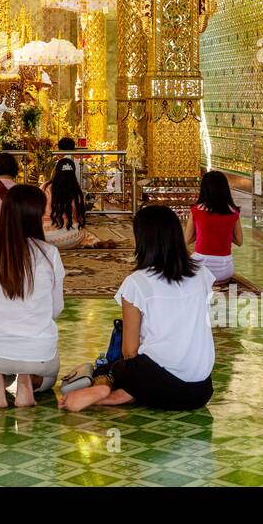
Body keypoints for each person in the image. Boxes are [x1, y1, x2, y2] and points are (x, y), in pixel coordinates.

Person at [62, 205, 215, 412]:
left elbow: (129, 351)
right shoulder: (202, 273)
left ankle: (103, 391)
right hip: (200, 391)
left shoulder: (137, 283)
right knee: (148, 368)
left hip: (161, 383)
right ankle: (121, 396)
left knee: (110, 366)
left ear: (144, 240)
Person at [0, 184, 65, 408]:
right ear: (35, 216)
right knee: (46, 380)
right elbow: (56, 310)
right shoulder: (49, 254)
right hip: (38, 352)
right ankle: (26, 380)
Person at [185, 170, 242, 284]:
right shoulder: (233, 212)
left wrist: (203, 234)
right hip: (225, 270)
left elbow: (186, 240)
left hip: (200, 270)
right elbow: (239, 241)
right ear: (225, 189)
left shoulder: (196, 211)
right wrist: (224, 233)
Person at [42, 157, 94, 249]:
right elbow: (79, 218)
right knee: (85, 232)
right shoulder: (76, 191)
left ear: (56, 171)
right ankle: (93, 242)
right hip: (71, 238)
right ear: (73, 173)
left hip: (46, 239)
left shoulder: (45, 187)